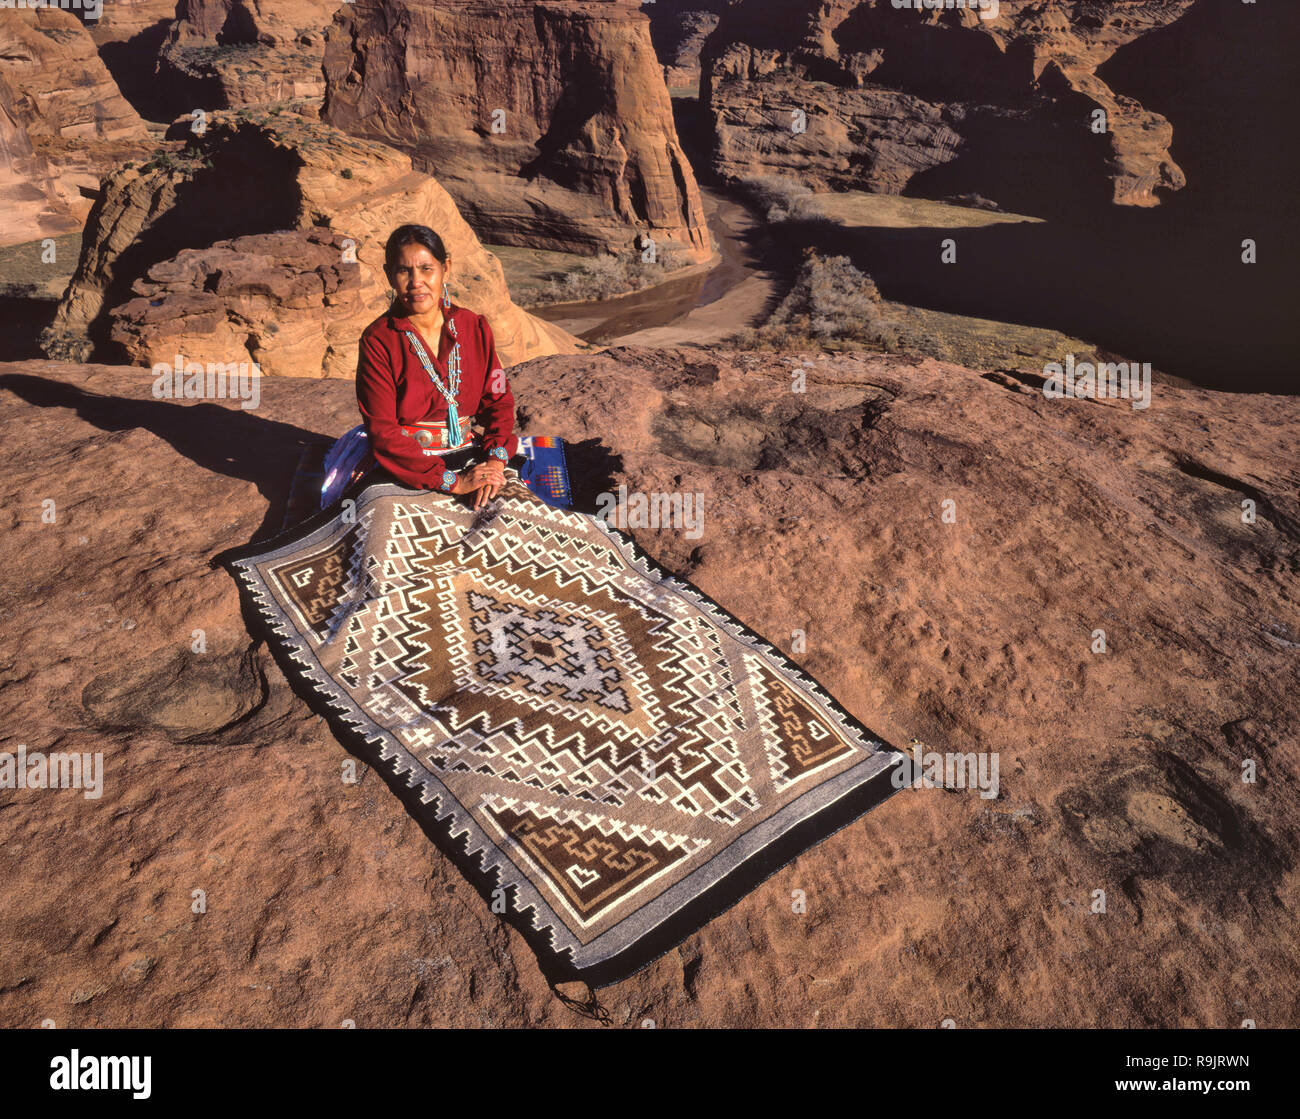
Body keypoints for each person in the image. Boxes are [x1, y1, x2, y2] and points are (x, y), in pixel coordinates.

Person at [322, 224, 519, 510]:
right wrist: (453, 482)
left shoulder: (473, 327)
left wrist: (495, 461)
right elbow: (383, 431)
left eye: (427, 269)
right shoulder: (379, 340)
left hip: (471, 450)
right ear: (390, 274)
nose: (416, 281)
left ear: (445, 269)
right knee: (387, 538)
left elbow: (499, 402)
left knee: (513, 512)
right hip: (406, 461)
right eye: (404, 271)